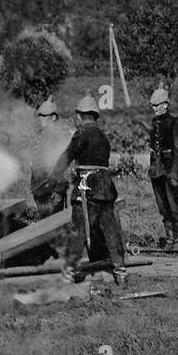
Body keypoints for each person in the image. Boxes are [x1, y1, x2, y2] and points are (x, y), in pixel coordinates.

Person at [56, 94, 126, 286]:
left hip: (87, 189)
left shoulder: (81, 133)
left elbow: (66, 157)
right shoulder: (103, 136)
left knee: (77, 230)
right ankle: (120, 270)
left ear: (80, 116)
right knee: (110, 230)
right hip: (105, 189)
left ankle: (70, 273)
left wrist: (54, 177)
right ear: (95, 116)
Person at [148, 85, 178, 251]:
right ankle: (170, 239)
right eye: (153, 106)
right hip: (157, 169)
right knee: (163, 206)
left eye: (157, 105)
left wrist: (175, 172)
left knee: (174, 205)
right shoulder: (154, 122)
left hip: (170, 167)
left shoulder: (174, 122)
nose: (154, 108)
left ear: (166, 105)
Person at [30, 97, 70, 214]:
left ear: (53, 117)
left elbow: (63, 164)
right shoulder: (42, 134)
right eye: (40, 115)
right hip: (40, 188)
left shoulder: (58, 136)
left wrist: (59, 190)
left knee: (53, 226)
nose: (41, 118)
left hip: (52, 190)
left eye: (44, 115)